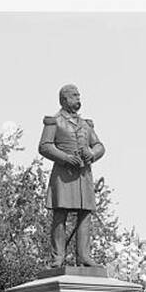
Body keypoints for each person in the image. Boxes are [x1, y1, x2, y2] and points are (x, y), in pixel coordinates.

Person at [39, 83, 105, 268]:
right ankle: (58, 257)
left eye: (79, 95)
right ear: (64, 99)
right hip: (64, 174)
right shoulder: (55, 121)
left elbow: (99, 146)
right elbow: (45, 146)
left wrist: (92, 154)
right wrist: (66, 158)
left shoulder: (85, 124)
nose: (78, 99)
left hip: (83, 175)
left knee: (85, 214)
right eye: (74, 96)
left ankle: (84, 256)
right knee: (61, 214)